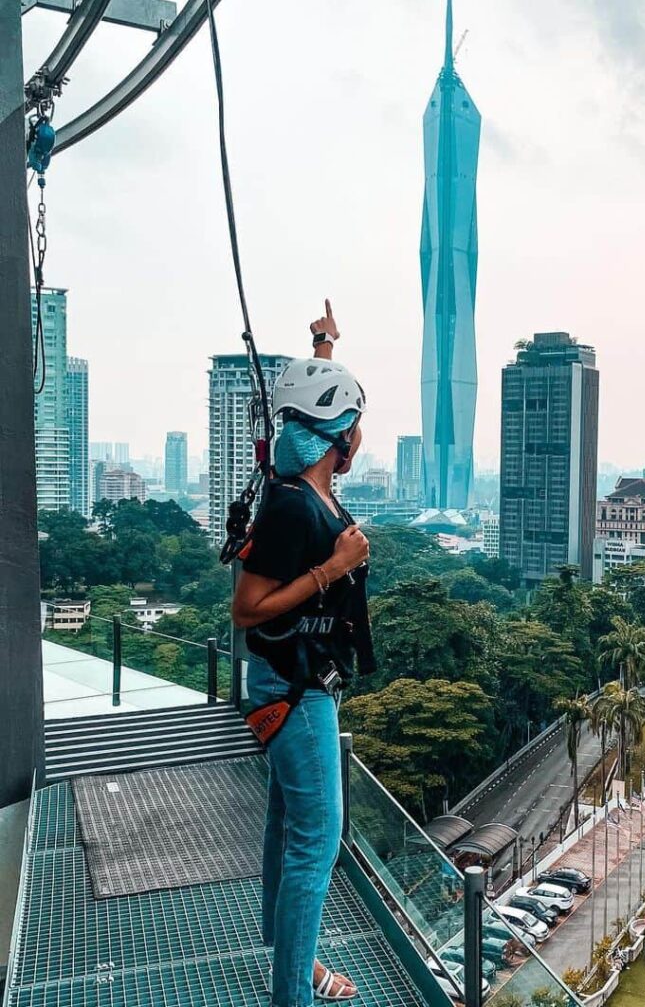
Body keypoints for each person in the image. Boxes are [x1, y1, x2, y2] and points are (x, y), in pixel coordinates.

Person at [234, 302, 373, 1006]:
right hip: (294, 691)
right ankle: (293, 991)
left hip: (293, 682)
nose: (357, 440)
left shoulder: (307, 490)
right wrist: (334, 567)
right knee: (317, 844)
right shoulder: (294, 506)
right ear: (336, 439)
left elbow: (302, 399)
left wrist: (322, 345)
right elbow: (247, 607)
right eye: (351, 429)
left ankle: (291, 964)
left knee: (290, 826)